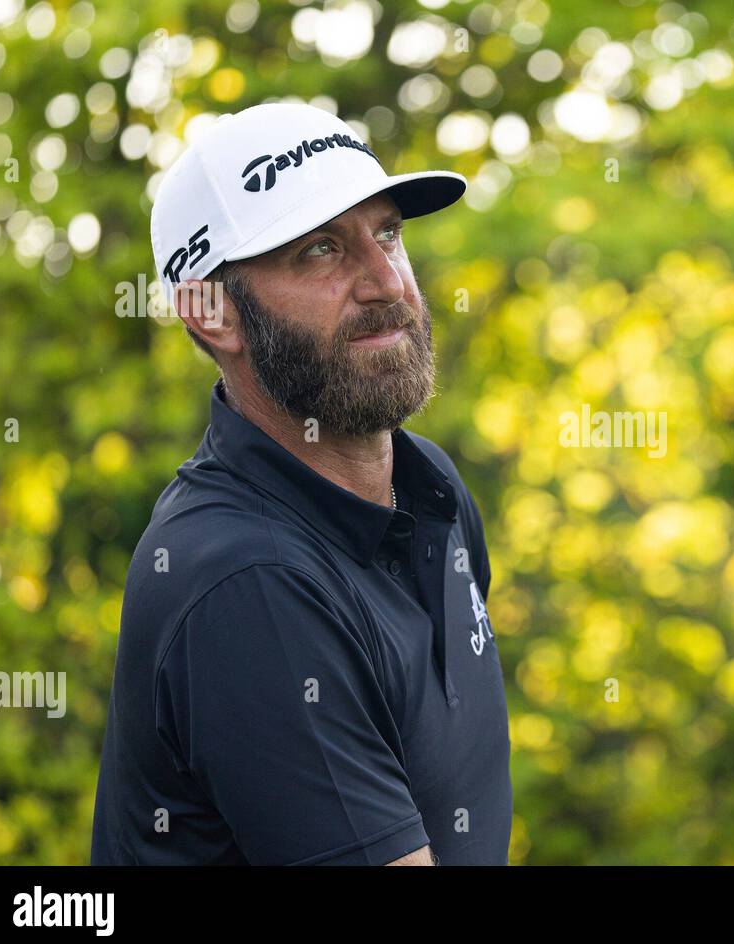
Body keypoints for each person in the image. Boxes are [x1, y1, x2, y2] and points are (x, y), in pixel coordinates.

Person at [90, 102, 511, 865]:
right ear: (212, 313)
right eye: (321, 250)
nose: (386, 281)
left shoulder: (432, 490)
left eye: (387, 232)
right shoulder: (247, 583)